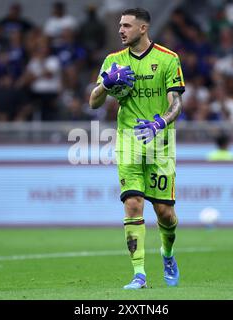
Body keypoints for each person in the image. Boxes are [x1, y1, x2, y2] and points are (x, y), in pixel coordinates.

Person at [89, 8, 185, 290]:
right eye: (120, 25)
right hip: (129, 140)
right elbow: (93, 102)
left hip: (160, 143)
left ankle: (167, 253)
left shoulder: (168, 59)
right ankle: (139, 274)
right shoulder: (113, 61)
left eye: (127, 26)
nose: (121, 30)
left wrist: (160, 122)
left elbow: (176, 104)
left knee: (165, 213)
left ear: (143, 28)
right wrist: (106, 85)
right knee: (132, 204)